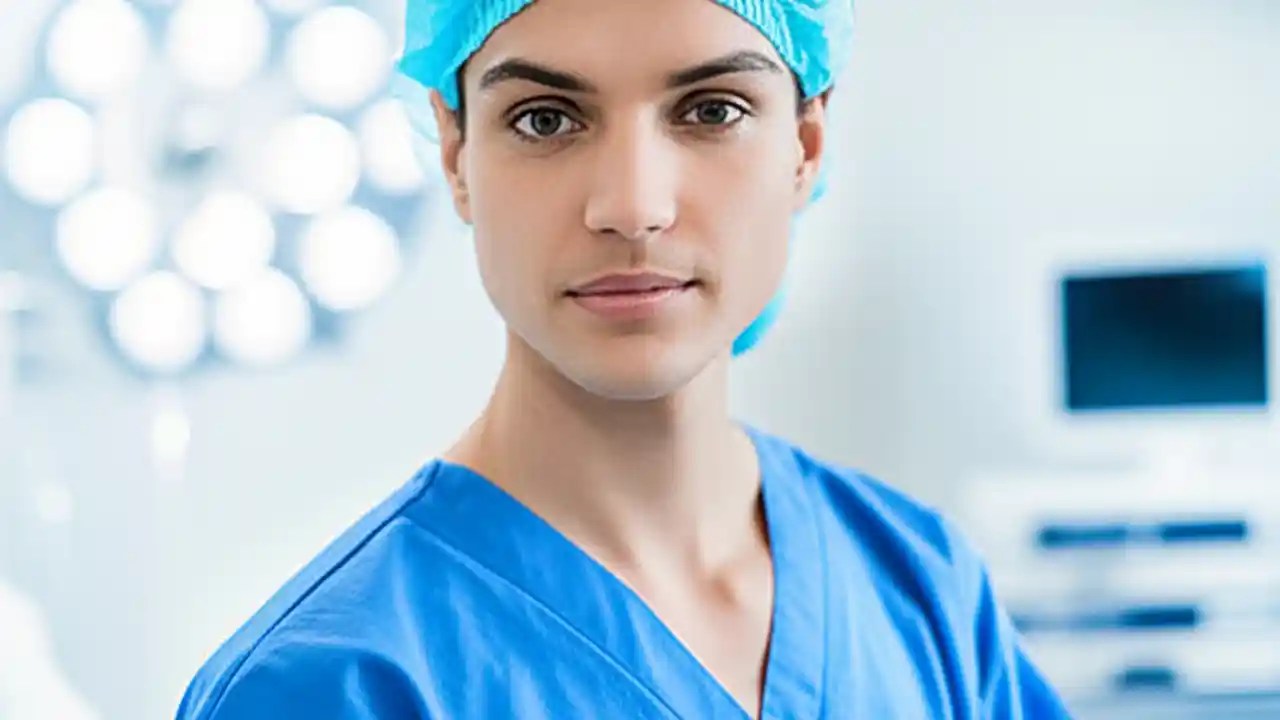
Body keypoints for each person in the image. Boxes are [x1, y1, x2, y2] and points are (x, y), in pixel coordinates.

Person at [178, 0, 1072, 717]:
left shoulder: (919, 590)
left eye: (712, 110)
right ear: (455, 156)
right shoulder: (334, 687)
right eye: (545, 118)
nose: (633, 206)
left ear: (806, 145)